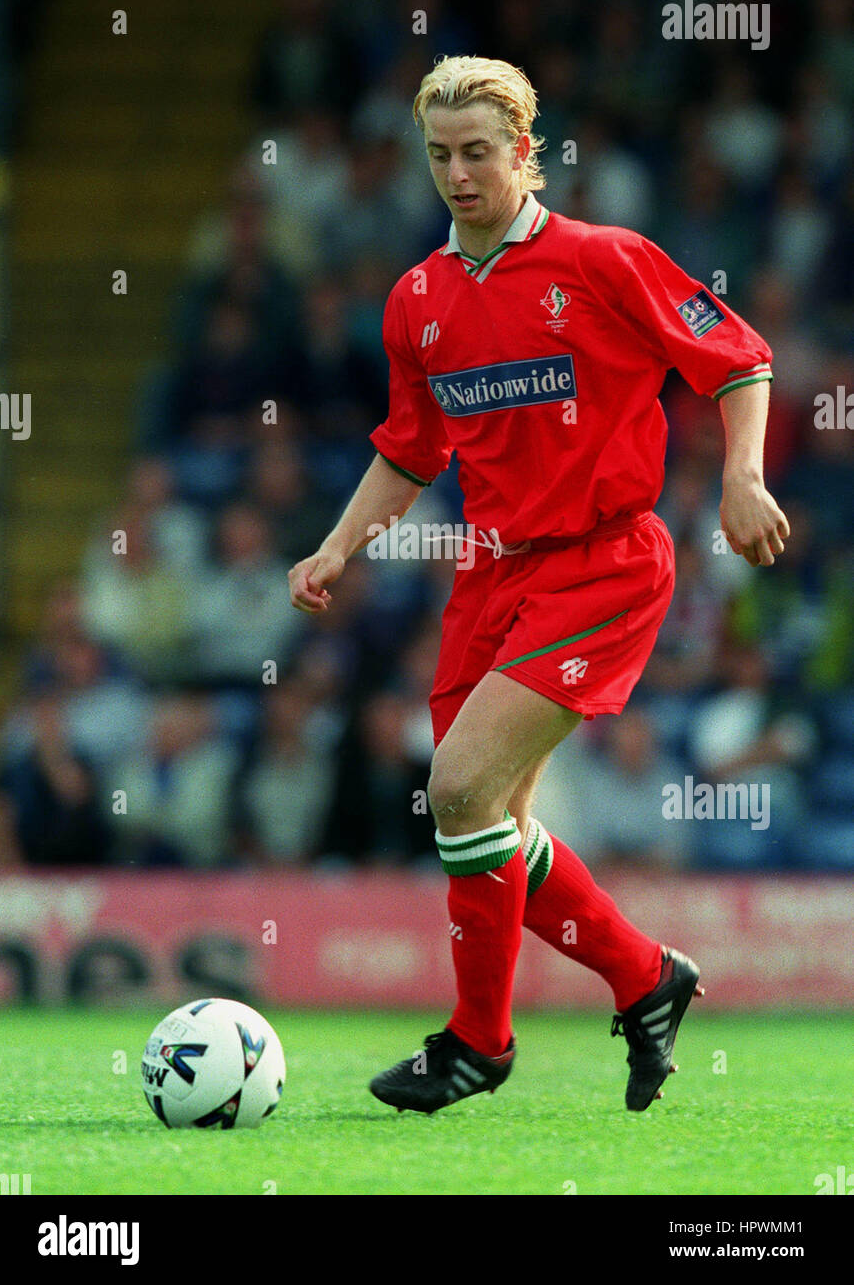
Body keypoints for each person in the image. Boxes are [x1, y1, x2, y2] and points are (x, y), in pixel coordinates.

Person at [288, 55, 789, 1114]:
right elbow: (410, 450)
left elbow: (737, 358)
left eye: (477, 152)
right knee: (487, 822)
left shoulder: (604, 259)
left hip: (604, 561)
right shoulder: (416, 300)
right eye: (438, 155)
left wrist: (739, 476)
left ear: (526, 152)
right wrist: (338, 546)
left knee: (461, 788)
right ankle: (646, 977)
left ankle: (477, 1041)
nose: (457, 175)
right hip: (487, 575)